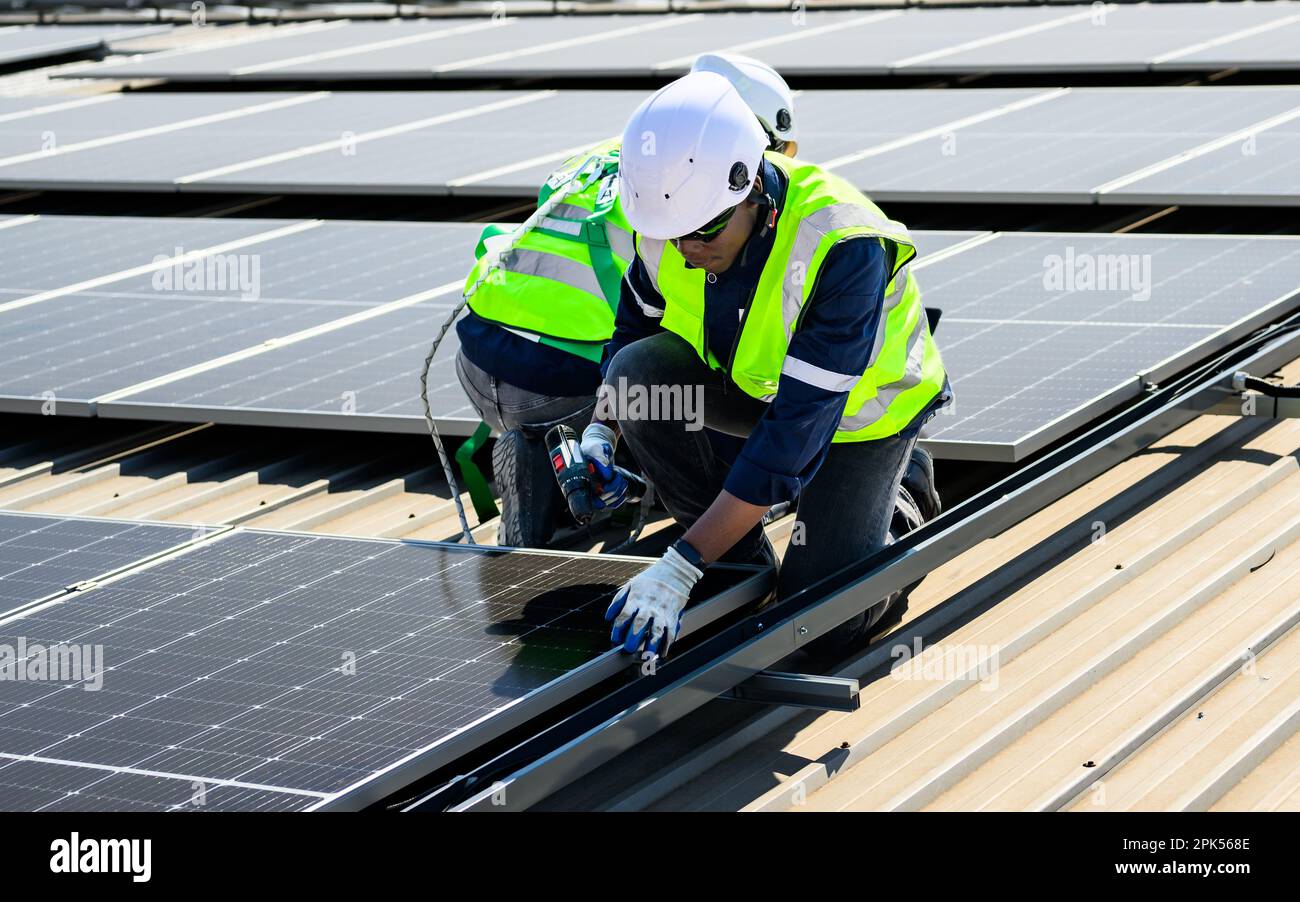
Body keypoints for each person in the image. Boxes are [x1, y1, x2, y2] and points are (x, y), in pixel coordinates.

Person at [589, 71, 953, 658]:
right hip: (757, 396)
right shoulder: (670, 221)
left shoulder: (841, 243)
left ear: (750, 185)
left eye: (703, 229)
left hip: (861, 419)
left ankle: (902, 497)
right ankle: (735, 560)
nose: (686, 249)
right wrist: (599, 433)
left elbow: (792, 436)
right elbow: (634, 328)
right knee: (635, 378)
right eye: (671, 233)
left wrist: (679, 565)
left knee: (821, 623)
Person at [454, 53, 800, 548]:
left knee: (646, 393)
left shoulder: (612, 157)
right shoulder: (696, 194)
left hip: (478, 360)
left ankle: (544, 452)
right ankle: (569, 463)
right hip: (558, 385)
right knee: (693, 402)